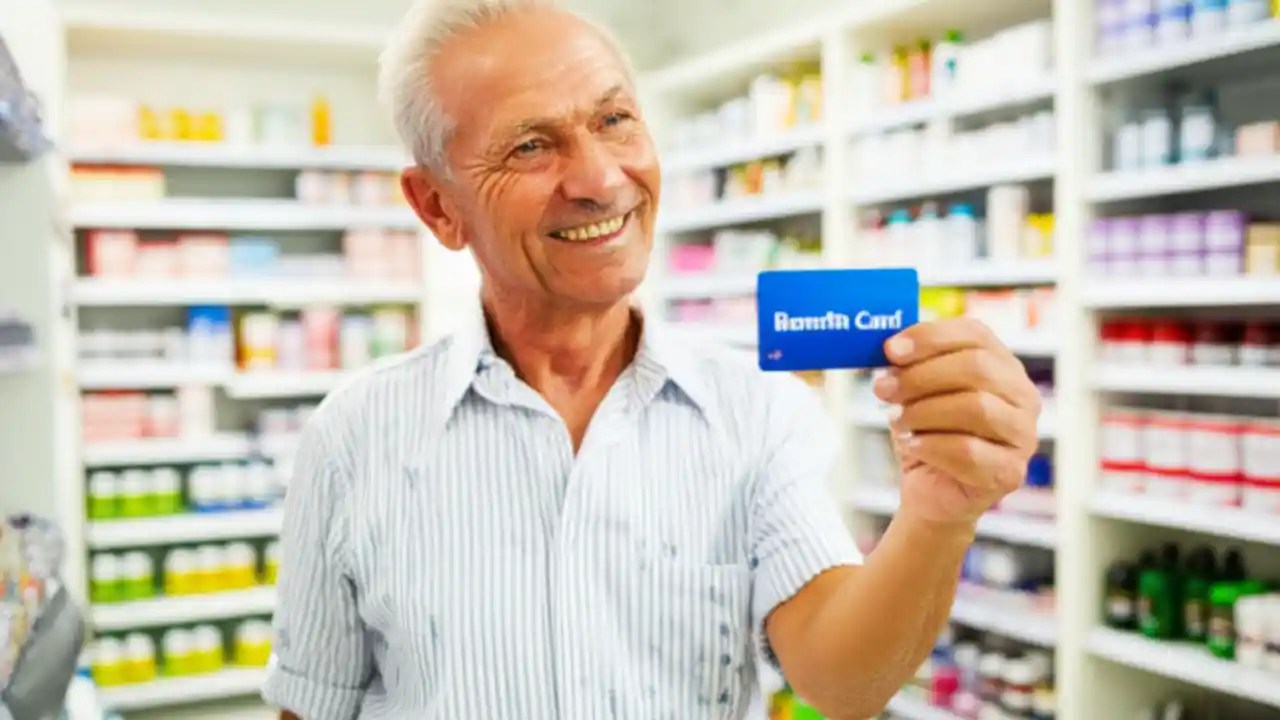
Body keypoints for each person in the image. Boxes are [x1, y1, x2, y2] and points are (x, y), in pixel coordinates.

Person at [262, 1, 1041, 718]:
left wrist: (940, 518)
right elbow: (311, 704)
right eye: (531, 146)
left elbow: (842, 683)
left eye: (615, 119)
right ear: (438, 206)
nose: (601, 179)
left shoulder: (756, 412)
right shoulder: (355, 437)